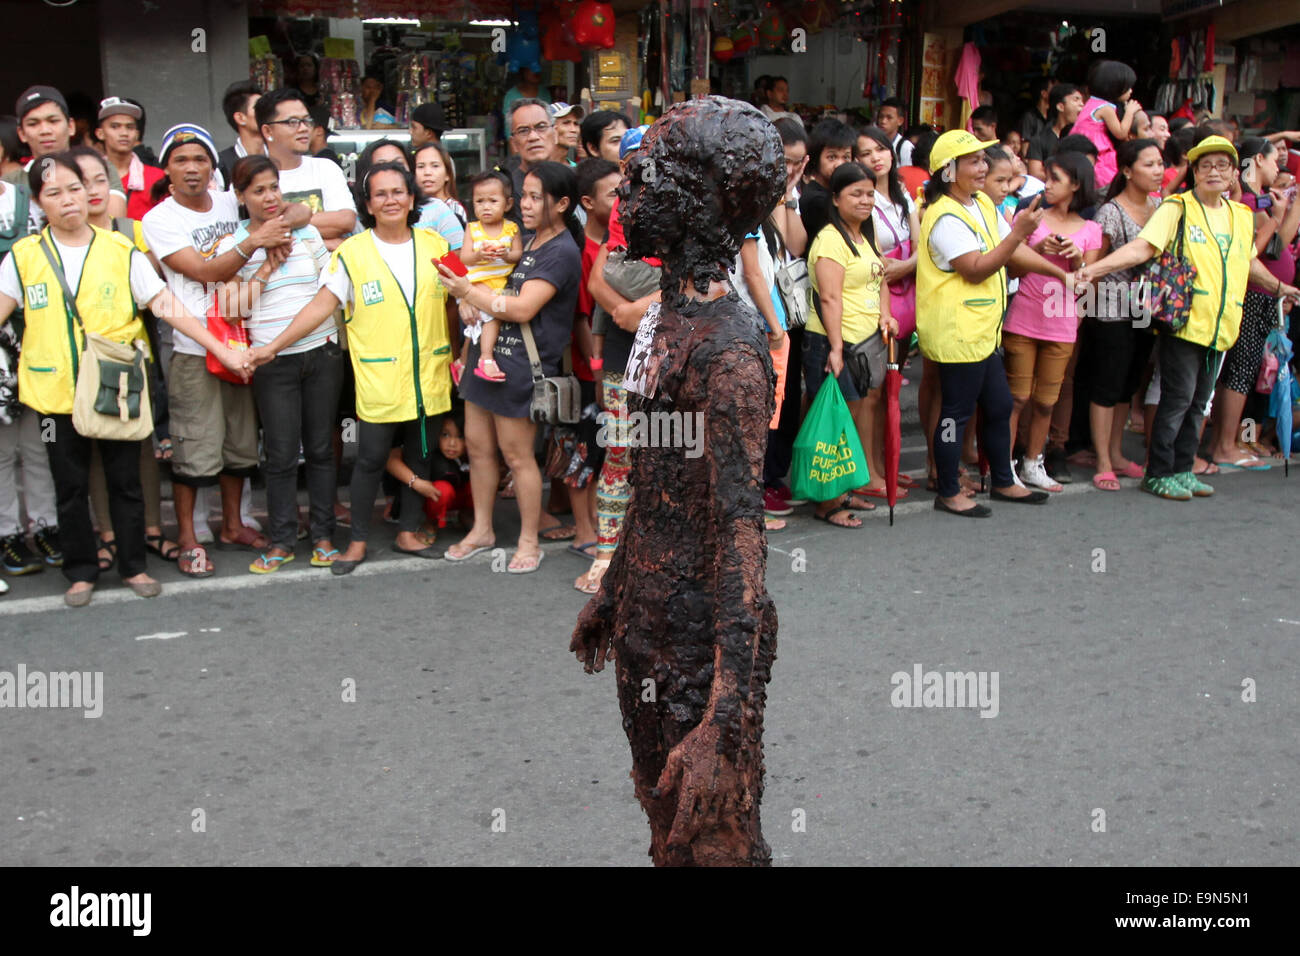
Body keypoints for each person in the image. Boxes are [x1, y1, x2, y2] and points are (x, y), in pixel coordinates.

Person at [570, 96, 785, 867]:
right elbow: (661, 479)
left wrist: (724, 712)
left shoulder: (728, 352)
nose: (626, 193)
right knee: (663, 815)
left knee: (717, 834)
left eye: (648, 175)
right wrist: (613, 588)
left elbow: (739, 530)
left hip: (701, 641)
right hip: (647, 621)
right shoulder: (666, 317)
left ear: (700, 199)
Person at [0, 153, 250, 605]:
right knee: (70, 486)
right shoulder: (23, 257)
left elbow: (167, 306)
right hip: (52, 394)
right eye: (54, 193)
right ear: (39, 203)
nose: (69, 200)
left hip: (116, 390)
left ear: (87, 192)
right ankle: (80, 572)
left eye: (74, 188)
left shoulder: (119, 250)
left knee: (126, 481)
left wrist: (220, 348)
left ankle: (133, 567)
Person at [249, 161, 454, 571]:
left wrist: (465, 355)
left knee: (420, 457)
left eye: (399, 191)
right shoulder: (352, 254)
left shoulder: (436, 246)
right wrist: (272, 346)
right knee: (369, 460)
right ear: (368, 205)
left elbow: (458, 301)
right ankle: (357, 541)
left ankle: (408, 532)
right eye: (381, 194)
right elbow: (322, 306)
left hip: (428, 376)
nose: (391, 200)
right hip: (379, 379)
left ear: (412, 198)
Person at [1078, 136, 1300, 500]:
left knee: (1199, 402)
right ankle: (1160, 471)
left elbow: (1247, 262)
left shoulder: (1240, 215)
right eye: (1206, 165)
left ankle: (1183, 467)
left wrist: (1279, 287)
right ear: (1195, 172)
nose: (1214, 172)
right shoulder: (1177, 207)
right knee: (1177, 398)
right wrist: (1096, 269)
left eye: (1222, 165)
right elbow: (1144, 246)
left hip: (1222, 325)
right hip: (1184, 322)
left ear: (1233, 175)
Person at [142, 123, 294, 576]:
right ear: (167, 169)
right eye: (181, 160)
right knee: (193, 447)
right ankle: (189, 537)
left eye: (200, 159)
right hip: (193, 347)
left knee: (239, 444)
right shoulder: (161, 218)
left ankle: (232, 525)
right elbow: (204, 272)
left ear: (214, 166)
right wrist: (255, 241)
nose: (192, 169)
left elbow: (292, 209)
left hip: (243, 342)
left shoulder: (231, 200)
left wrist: (281, 217)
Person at [918, 130, 1076, 517]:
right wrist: (1021, 232)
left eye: (982, 160)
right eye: (973, 162)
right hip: (957, 331)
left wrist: (1059, 275)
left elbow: (1014, 252)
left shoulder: (981, 206)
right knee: (956, 412)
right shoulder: (944, 216)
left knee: (1000, 403)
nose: (982, 167)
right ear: (948, 171)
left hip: (981, 331)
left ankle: (1004, 480)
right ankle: (949, 490)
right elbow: (975, 269)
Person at [436, 161, 582, 574]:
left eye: (538, 197)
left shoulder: (561, 251)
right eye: (526, 195)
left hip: (522, 365)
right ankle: (483, 529)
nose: (527, 204)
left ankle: (528, 540)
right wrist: (469, 298)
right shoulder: (528, 240)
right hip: (485, 355)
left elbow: (521, 307)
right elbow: (489, 280)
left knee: (518, 458)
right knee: (479, 449)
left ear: (564, 203)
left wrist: (468, 292)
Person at [215, 155, 342, 573]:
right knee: (282, 455)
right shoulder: (235, 245)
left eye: (274, 188)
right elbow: (232, 310)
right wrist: (266, 267)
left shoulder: (304, 231)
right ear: (240, 196)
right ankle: (284, 538)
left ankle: (323, 535)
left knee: (322, 449)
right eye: (258, 191)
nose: (269, 197)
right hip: (271, 363)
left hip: (322, 353)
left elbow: (330, 291)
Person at [69, 146, 179, 569]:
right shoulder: (55, 242)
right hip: (80, 358)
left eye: (100, 181)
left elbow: (158, 290)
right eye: (81, 183)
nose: (92, 191)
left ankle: (152, 531)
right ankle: (109, 535)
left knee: (141, 440)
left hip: (133, 355)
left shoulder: (131, 229)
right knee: (94, 446)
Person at [803, 162, 898, 527]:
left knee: (852, 417)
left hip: (863, 341)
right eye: (855, 194)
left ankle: (841, 490)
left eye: (870, 193)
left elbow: (880, 279)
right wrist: (836, 349)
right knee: (833, 426)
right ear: (836, 198)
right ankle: (827, 502)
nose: (865, 200)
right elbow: (829, 298)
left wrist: (885, 315)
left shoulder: (863, 235)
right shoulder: (830, 239)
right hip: (831, 341)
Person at [1001, 152, 1103, 492]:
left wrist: (1076, 261)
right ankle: (1005, 467)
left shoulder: (1091, 230)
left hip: (1062, 324)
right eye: (1046, 177)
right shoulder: (1031, 217)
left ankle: (1033, 463)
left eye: (1055, 178)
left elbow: (1090, 285)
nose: (1046, 184)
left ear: (1076, 184)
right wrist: (1039, 250)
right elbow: (1011, 268)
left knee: (1046, 400)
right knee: (1016, 398)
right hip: (1023, 318)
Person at [1209, 137, 1300, 470]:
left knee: (1246, 372)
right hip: (1253, 294)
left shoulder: (1259, 200)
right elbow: (1273, 247)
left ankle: (1230, 441)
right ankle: (1224, 445)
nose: (1278, 166)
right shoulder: (1249, 202)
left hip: (1265, 296)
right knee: (1240, 370)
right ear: (1257, 160)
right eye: (1275, 159)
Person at [1078, 138, 1162, 491]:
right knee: (1107, 385)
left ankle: (1116, 452)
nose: (1157, 171)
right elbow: (1094, 265)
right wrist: (1087, 312)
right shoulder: (1111, 211)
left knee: (1129, 384)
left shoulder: (1159, 207)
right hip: (1110, 310)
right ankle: (1102, 459)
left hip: (1145, 308)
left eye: (1160, 163)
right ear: (1127, 171)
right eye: (1149, 164)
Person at [0, 148, 57, 579]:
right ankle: (8, 534)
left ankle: (47, 526)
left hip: (36, 343)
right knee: (2, 451)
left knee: (42, 441)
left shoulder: (25, 202)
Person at [761, 117, 810, 519]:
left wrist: (790, 192)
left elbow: (795, 244)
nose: (789, 168)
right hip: (760, 318)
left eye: (797, 162)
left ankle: (774, 478)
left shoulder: (788, 193)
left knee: (785, 400)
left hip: (786, 316)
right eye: (784, 160)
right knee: (762, 404)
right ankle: (760, 485)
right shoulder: (752, 191)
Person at [256, 88, 357, 252]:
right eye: (292, 122)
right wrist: (324, 243)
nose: (303, 128)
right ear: (268, 131)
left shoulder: (326, 168)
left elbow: (345, 221)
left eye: (307, 120)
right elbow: (256, 233)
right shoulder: (253, 177)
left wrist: (280, 225)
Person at [13, 86, 127, 217]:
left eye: (53, 121)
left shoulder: (99, 168)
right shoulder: (10, 183)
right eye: (33, 124)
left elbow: (113, 225)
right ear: (21, 133)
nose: (45, 130)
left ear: (71, 126)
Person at [455, 170, 522, 384]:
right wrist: (478, 255)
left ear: (508, 203)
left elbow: (518, 255)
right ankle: (486, 358)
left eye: (493, 201)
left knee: (474, 325)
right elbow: (464, 257)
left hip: (501, 283)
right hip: (478, 282)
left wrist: (506, 254)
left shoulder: (512, 229)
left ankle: (462, 362)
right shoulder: (473, 228)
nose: (486, 206)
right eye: (479, 201)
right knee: (492, 316)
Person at [1074, 60, 1142, 191]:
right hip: (1100, 157)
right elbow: (1121, 133)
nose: (1131, 91)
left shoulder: (1091, 102)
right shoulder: (1105, 108)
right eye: (1127, 88)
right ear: (1114, 87)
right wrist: (1130, 111)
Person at [94, 98, 164, 220]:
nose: (124, 133)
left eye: (130, 127)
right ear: (100, 133)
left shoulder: (158, 178)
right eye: (115, 126)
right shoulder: (87, 179)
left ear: (137, 134)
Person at [499, 99, 556, 231]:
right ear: (513, 143)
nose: (533, 137)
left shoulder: (571, 178)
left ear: (555, 133)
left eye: (541, 127)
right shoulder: (505, 190)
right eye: (523, 130)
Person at [800, 119, 856, 245]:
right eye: (832, 157)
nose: (840, 164)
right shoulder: (815, 199)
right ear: (816, 158)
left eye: (846, 157)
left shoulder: (836, 193)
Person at [1027, 84, 1084, 182]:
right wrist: (1066, 179)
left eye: (1082, 100)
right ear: (1061, 107)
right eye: (1076, 99)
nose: (1082, 104)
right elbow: (1035, 173)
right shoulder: (1039, 140)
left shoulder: (1083, 138)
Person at [216, 81, 263, 189]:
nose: (267, 112)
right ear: (240, 118)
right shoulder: (221, 165)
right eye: (259, 107)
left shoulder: (279, 157)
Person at [413, 141, 466, 225]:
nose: (427, 172)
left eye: (435, 166)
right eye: (420, 166)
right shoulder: (410, 208)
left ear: (447, 174)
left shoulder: (454, 209)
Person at [501, 67, 551, 138]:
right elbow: (508, 130)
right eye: (531, 68)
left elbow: (549, 122)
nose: (536, 71)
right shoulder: (511, 96)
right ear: (523, 71)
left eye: (537, 66)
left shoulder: (545, 93)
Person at [876, 97, 913, 167]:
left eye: (889, 117)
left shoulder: (906, 148)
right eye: (881, 117)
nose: (883, 121)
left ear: (900, 121)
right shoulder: (872, 144)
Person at [1018, 77, 1054, 145]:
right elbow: (1025, 148)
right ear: (1044, 93)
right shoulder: (1029, 117)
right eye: (1052, 89)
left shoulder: (1053, 116)